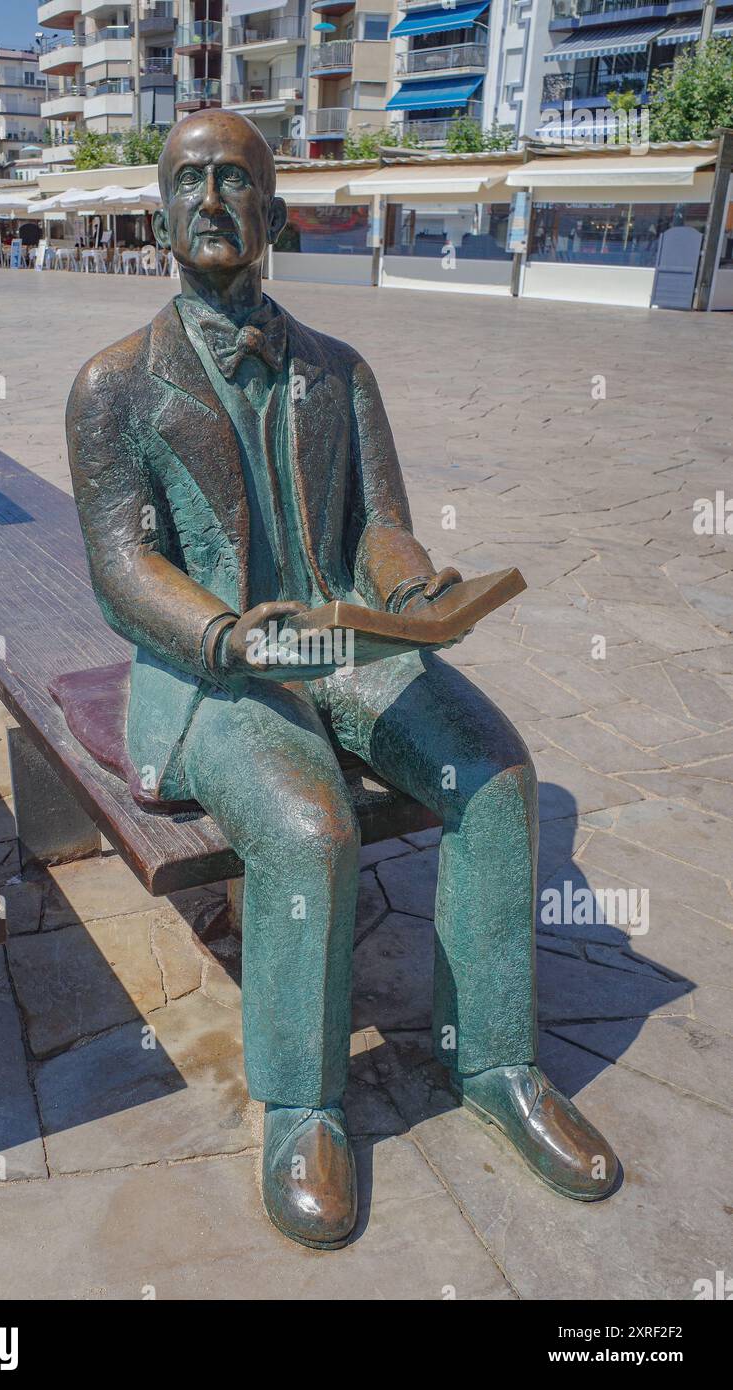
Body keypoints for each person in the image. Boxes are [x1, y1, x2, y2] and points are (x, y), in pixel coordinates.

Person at [66, 110, 618, 1250]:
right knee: (311, 823)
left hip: (345, 649)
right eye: (189, 181)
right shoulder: (112, 385)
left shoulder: (338, 370)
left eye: (236, 180)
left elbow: (381, 526)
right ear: (162, 212)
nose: (211, 198)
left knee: (497, 774)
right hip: (206, 666)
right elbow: (122, 568)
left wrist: (412, 587)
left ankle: (498, 1061)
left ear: (273, 211)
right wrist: (226, 635)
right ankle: (304, 1106)